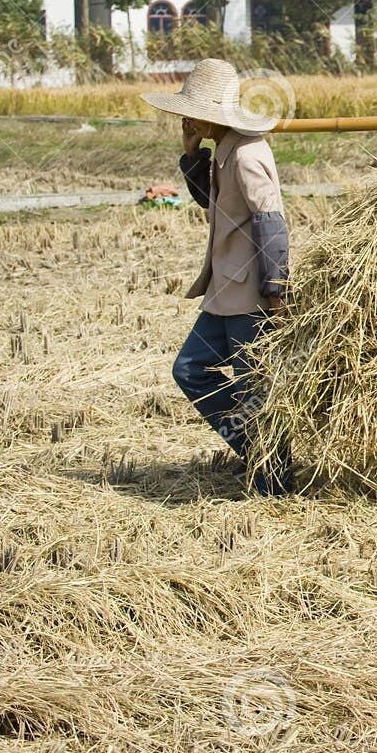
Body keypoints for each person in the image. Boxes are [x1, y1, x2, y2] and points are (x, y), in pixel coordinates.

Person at [142, 59, 293, 494]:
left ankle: (273, 477)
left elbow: (271, 222)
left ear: (213, 114)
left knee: (252, 388)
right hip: (225, 288)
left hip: (250, 294)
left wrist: (276, 289)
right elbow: (215, 203)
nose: (185, 119)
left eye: (191, 112)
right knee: (191, 370)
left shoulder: (246, 154)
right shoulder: (225, 151)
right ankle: (258, 451)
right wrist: (192, 157)